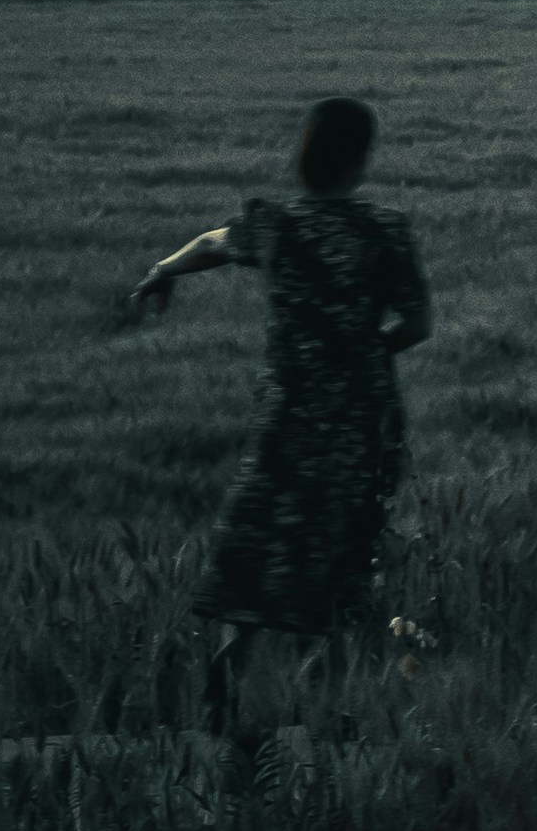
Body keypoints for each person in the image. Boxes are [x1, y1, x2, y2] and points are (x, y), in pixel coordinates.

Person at [129, 95, 430, 726]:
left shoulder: (277, 226)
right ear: (362, 159)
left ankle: (228, 677)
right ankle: (329, 709)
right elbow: (417, 325)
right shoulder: (386, 230)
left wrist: (162, 270)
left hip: (286, 418)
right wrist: (364, 352)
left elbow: (214, 241)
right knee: (348, 552)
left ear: (305, 154)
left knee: (260, 544)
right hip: (360, 422)